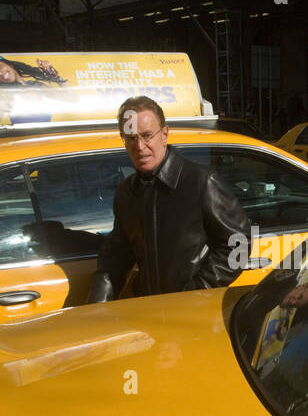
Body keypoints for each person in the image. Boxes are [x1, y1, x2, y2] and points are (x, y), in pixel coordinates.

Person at [89, 96, 250, 302]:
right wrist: (97, 308)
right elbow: (115, 258)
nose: (139, 146)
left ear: (164, 135)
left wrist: (198, 290)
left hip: (194, 311)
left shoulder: (200, 182)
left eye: (147, 136)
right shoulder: (127, 192)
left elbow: (240, 244)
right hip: (150, 313)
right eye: (131, 138)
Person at [0, 54, 66, 126]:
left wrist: (53, 74)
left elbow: (72, 99)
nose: (0, 73)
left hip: (47, 141)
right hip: (23, 144)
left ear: (9, 65)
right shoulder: (3, 93)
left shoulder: (37, 85)